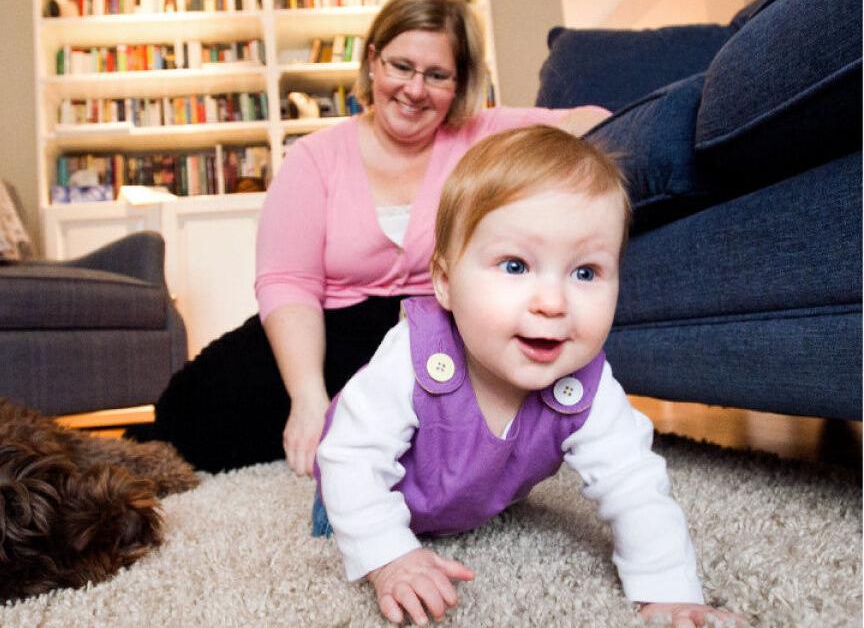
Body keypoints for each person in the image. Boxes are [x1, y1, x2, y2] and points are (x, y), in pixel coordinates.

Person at [126, 0, 609, 474]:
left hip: (434, 339)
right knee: (186, 413)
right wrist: (308, 398)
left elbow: (595, 122)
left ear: (459, 82)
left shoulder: (483, 134)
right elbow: (287, 282)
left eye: (437, 75)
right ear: (373, 61)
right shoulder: (314, 156)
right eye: (401, 66)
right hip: (327, 333)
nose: (415, 90)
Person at [313, 126, 746, 627]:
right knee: (347, 513)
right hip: (366, 489)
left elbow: (634, 482)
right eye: (515, 265)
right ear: (447, 283)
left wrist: (670, 592)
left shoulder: (584, 384)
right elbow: (351, 457)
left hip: (470, 501)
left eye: (585, 272)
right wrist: (389, 558)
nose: (553, 303)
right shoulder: (412, 356)